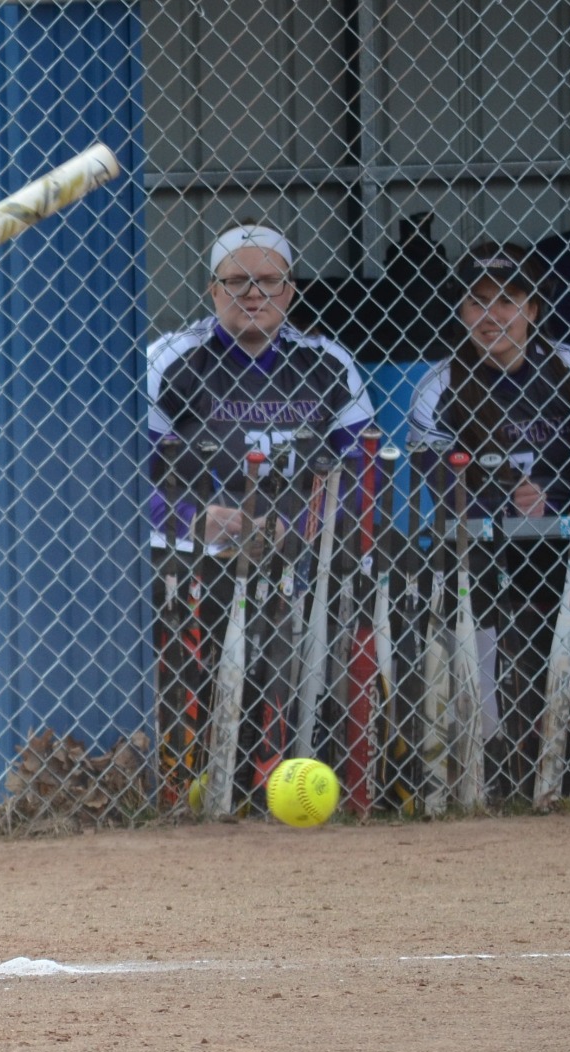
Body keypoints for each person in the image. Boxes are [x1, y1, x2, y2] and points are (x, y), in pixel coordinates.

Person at [145, 223, 376, 809]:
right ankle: (196, 778)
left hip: (303, 549)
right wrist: (196, 519)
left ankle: (293, 768)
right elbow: (125, 476)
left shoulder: (327, 361)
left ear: (291, 289)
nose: (253, 294)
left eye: (269, 281)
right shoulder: (171, 359)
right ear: (212, 289)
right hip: (199, 554)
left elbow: (363, 472)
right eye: (237, 281)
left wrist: (300, 528)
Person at [406, 243, 570, 801]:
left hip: (562, 545)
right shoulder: (440, 386)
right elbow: (442, 488)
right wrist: (503, 501)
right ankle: (492, 757)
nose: (491, 315)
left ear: (532, 308)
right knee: (469, 579)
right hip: (485, 549)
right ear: (460, 310)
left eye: (507, 300)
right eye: (477, 302)